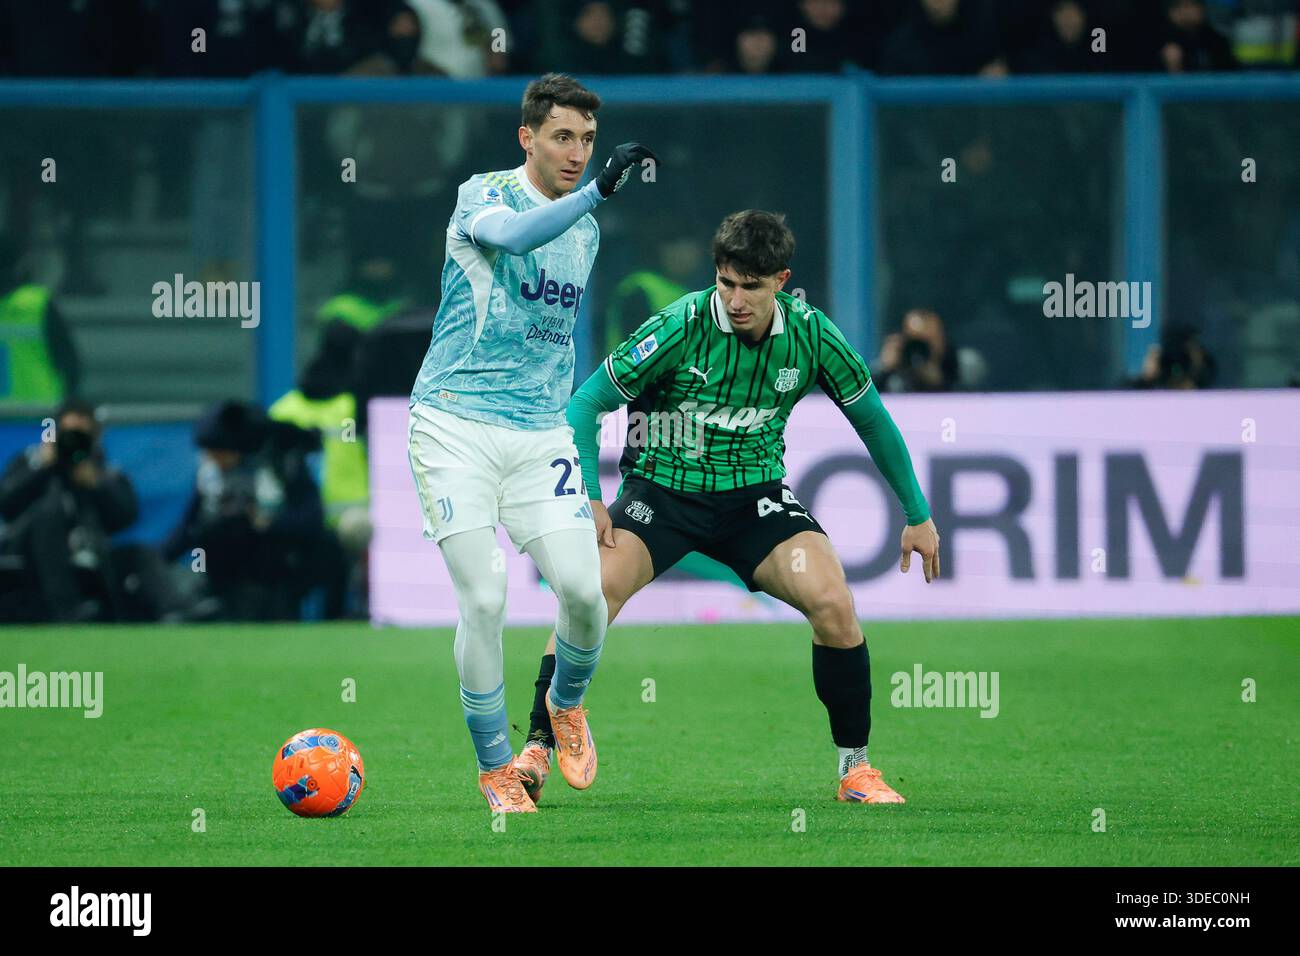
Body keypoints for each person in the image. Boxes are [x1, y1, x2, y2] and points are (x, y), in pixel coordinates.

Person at [516, 211, 941, 806]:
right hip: (662, 495)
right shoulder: (679, 325)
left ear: (781, 281)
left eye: (752, 286)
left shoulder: (813, 334)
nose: (736, 299)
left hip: (754, 500)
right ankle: (537, 746)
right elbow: (585, 405)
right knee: (589, 595)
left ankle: (855, 770)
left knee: (833, 602)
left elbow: (872, 420)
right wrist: (588, 494)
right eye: (726, 283)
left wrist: (917, 514)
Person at [407, 73, 655, 812]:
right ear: (527, 137)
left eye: (587, 140)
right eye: (561, 137)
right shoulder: (483, 196)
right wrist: (596, 193)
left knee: (585, 594)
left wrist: (589, 205)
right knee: (485, 598)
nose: (577, 152)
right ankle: (494, 769)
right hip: (454, 424)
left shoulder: (586, 229)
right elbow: (515, 238)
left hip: (538, 433)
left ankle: (564, 706)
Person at [0, 399, 178, 622]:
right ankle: (68, 613)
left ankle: (176, 613)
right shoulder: (30, 461)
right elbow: (6, 505)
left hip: (90, 556)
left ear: (96, 436)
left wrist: (95, 486)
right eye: (68, 433)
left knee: (140, 555)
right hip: (31, 558)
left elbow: (126, 517)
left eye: (82, 434)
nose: (73, 440)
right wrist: (41, 469)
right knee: (49, 516)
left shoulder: (102, 472)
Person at [164, 400, 334, 621]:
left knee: (328, 550)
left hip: (280, 561)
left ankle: (334, 619)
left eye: (218, 452)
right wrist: (159, 559)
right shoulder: (210, 475)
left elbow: (312, 520)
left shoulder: (283, 465)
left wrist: (267, 523)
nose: (211, 459)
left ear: (237, 449)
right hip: (228, 569)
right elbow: (191, 525)